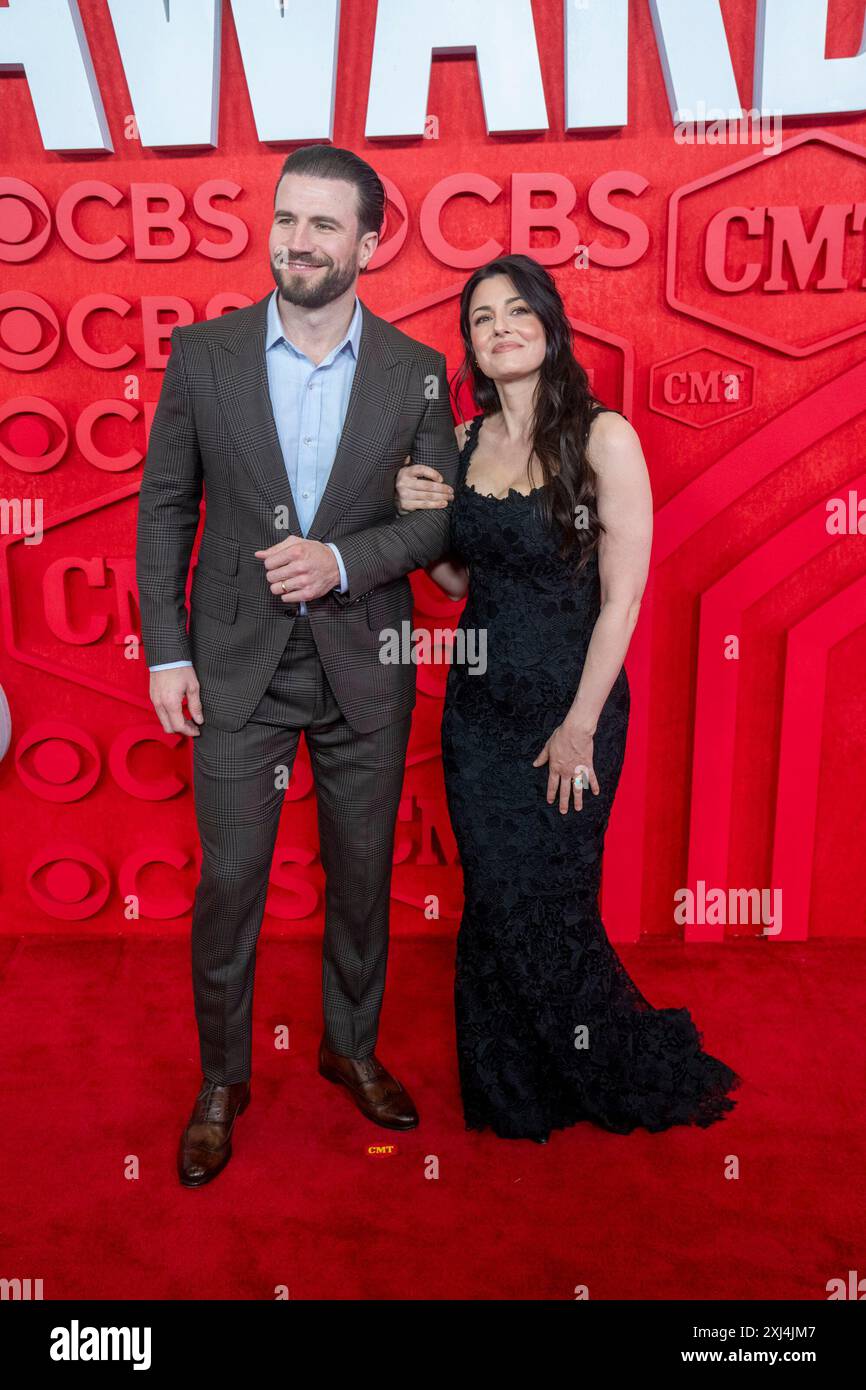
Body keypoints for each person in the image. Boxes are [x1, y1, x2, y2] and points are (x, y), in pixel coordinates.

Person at [136, 146, 459, 1186]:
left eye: (325, 226)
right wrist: (168, 650)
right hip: (235, 666)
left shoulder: (416, 372)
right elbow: (164, 511)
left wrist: (336, 562)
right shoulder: (204, 355)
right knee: (230, 881)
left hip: (364, 659)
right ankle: (222, 1079)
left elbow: (435, 523)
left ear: (368, 244)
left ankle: (349, 1047)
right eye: (287, 220)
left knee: (360, 879)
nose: (299, 242)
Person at [396, 253, 742, 1143]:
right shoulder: (468, 445)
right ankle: (513, 1088)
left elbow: (623, 596)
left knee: (550, 895)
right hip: (478, 711)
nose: (501, 327)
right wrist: (421, 518)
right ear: (469, 344)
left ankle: (596, 1064)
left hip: (570, 708)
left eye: (517, 311)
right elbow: (455, 584)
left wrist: (580, 728)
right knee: (494, 894)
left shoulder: (602, 435)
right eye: (482, 318)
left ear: (549, 326)